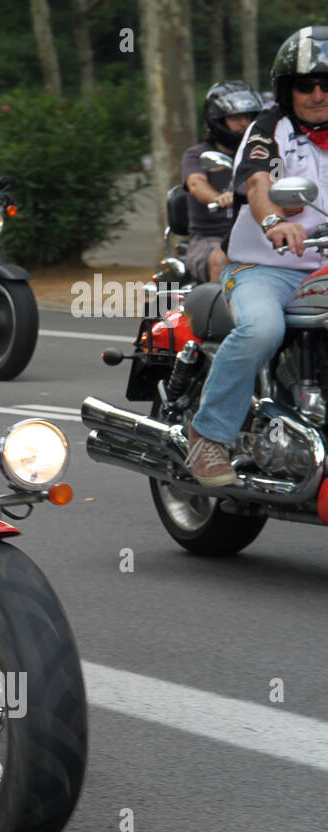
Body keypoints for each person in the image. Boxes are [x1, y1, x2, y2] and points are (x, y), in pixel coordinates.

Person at [187, 25, 328, 487]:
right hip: (265, 267)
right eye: (306, 84)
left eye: (327, 84)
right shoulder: (268, 130)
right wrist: (274, 224)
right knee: (263, 327)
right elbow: (258, 185)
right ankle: (208, 435)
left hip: (323, 268)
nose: (317, 94)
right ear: (287, 90)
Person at [181, 81, 264, 283]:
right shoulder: (198, 154)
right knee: (223, 259)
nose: (244, 123)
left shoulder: (261, 154)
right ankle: (221, 313)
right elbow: (195, 183)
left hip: (259, 235)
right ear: (217, 119)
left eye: (249, 116)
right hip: (211, 239)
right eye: (236, 117)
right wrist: (218, 197)